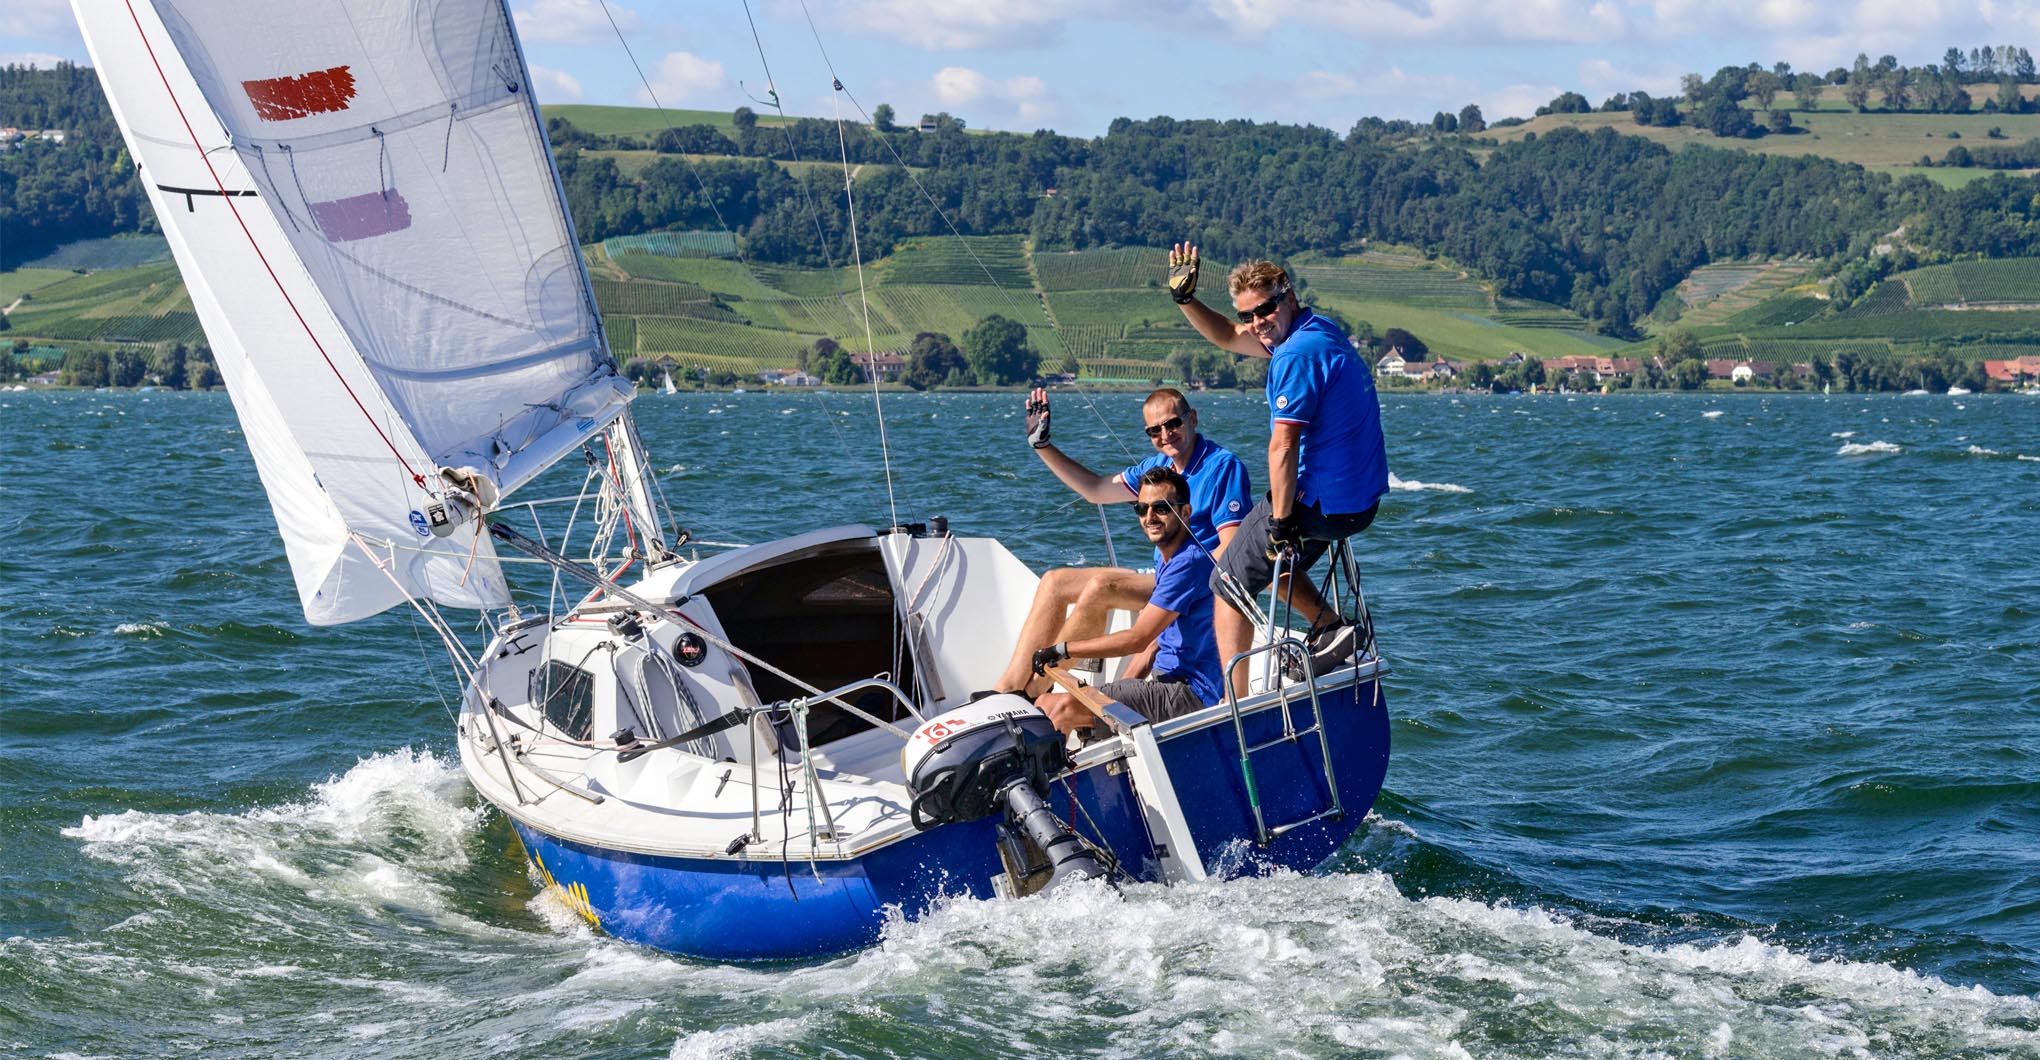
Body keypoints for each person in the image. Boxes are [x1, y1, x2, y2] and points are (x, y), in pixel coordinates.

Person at [1167, 245, 1387, 696]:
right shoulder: (1317, 330)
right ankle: (1329, 627)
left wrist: (1282, 523)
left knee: (1227, 580)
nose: (1257, 322)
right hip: (1359, 505)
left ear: (1288, 296)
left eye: (1265, 309)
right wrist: (1186, 299)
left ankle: (1233, 704)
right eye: (1248, 314)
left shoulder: (1295, 356)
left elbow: (1284, 445)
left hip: (1321, 504)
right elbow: (1229, 336)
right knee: (1259, 551)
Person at [991, 386, 1251, 694]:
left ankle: (1034, 692)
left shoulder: (1223, 467)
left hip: (1196, 583)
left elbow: (1232, 547)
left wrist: (1181, 580)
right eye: (1154, 431)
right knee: (1054, 582)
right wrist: (1042, 446)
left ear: (1192, 418)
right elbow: (1096, 490)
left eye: (1173, 424)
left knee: (1101, 588)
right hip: (1164, 575)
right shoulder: (1156, 469)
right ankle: (1009, 689)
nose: (1165, 435)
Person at [1022, 468, 1224, 733]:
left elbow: (1137, 639)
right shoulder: (1168, 558)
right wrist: (1117, 697)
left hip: (1190, 693)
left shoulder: (1189, 563)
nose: (1150, 517)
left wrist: (1062, 649)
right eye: (1142, 509)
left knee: (1061, 708)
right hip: (1165, 682)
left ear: (1185, 512)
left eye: (1161, 508)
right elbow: (1152, 645)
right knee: (1044, 702)